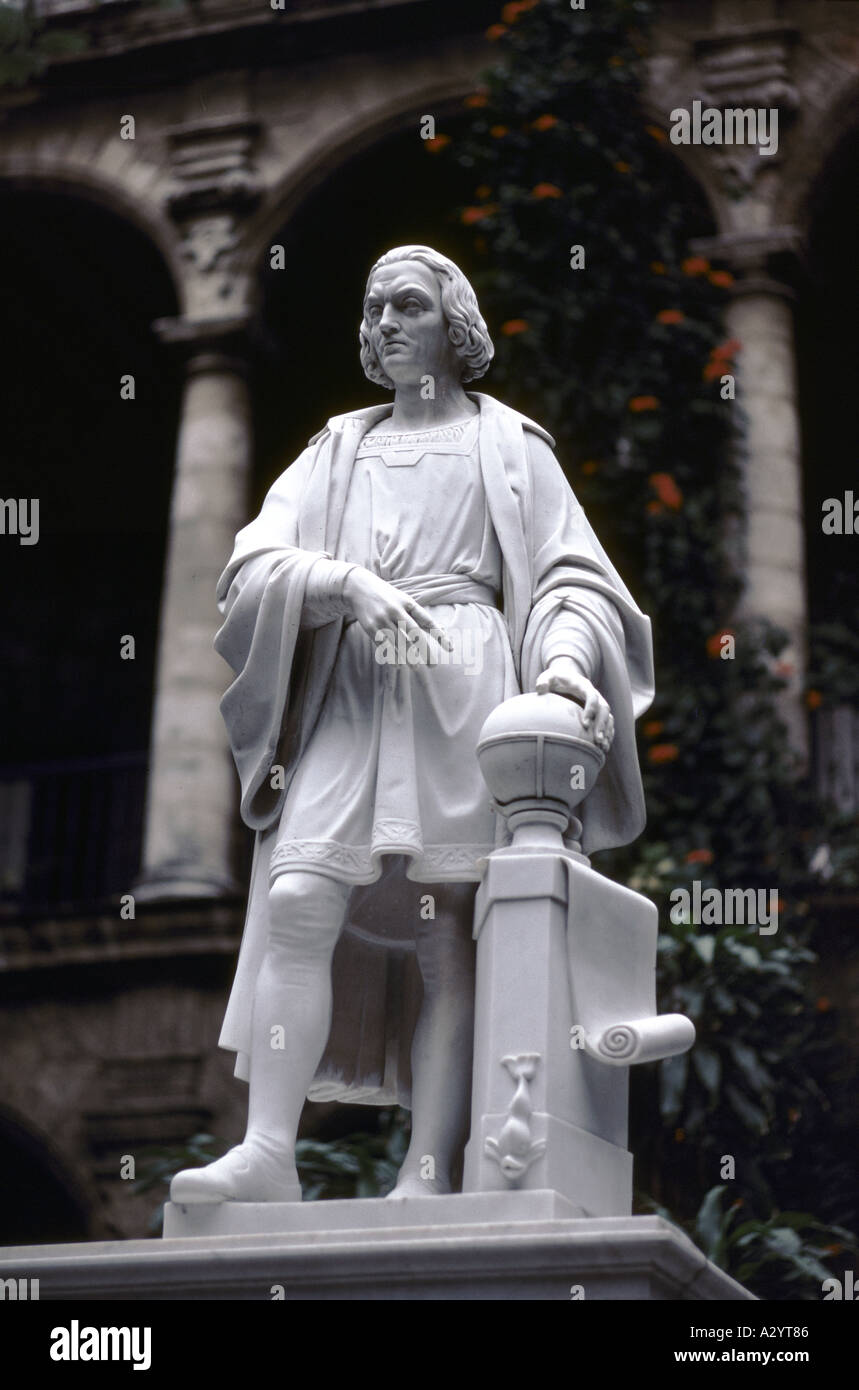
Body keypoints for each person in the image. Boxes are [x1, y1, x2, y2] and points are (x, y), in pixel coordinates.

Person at [170, 245, 654, 1204]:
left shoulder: (510, 445)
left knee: (452, 930)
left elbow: (571, 579)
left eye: (408, 306)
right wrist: (339, 580)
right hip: (353, 688)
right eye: (373, 307)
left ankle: (426, 1170)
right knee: (300, 898)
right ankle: (269, 1150)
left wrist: (560, 663)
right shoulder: (334, 449)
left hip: (464, 685)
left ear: (452, 327)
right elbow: (249, 568)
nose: (385, 322)